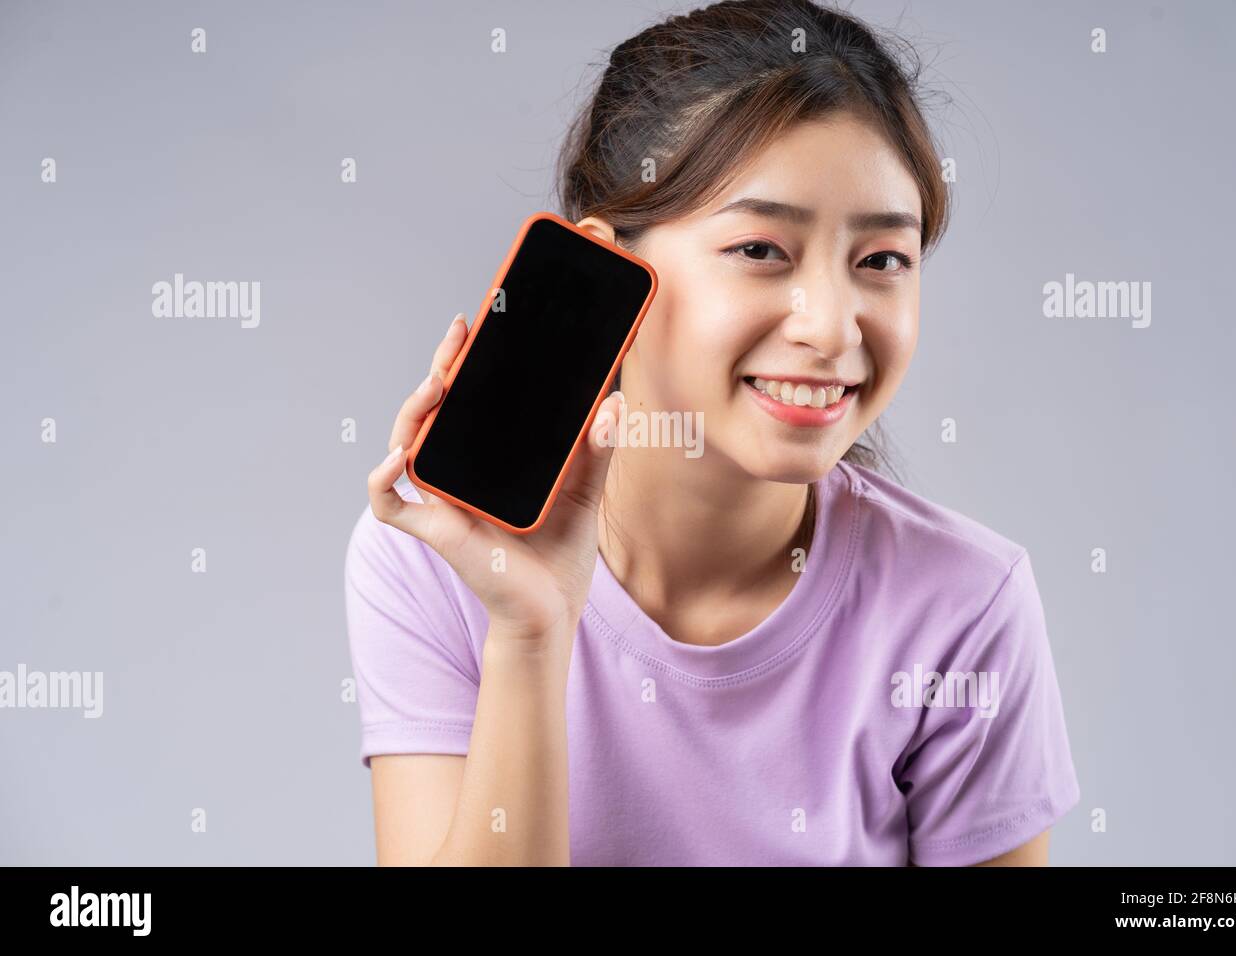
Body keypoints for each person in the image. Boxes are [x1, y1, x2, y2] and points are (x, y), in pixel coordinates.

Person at [345, 0, 1080, 866]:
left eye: (881, 260)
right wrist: (530, 636)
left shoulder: (964, 606)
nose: (831, 328)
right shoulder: (433, 560)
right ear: (607, 266)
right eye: (762, 250)